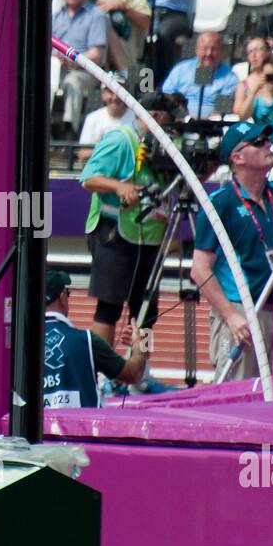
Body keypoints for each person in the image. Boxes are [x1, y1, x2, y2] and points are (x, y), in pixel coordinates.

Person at [192, 121, 273, 382]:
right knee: (235, 398)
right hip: (243, 313)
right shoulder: (220, 204)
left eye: (267, 140)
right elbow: (199, 269)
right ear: (237, 158)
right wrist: (231, 316)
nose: (268, 145)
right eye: (258, 142)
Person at [79, 92, 182, 394]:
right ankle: (102, 375)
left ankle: (141, 371)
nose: (175, 124)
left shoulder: (168, 146)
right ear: (156, 115)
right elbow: (87, 178)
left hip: (150, 236)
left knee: (146, 311)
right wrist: (119, 185)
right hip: (115, 232)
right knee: (109, 308)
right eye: (171, 117)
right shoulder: (121, 140)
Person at [43, 269, 149, 409]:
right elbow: (134, 374)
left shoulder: (20, 342)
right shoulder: (86, 340)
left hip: (33, 429)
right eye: (68, 294)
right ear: (62, 297)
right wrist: (139, 346)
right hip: (80, 428)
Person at [52, 0, 110, 131]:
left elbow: (96, 54)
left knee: (73, 82)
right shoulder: (55, 15)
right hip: (56, 69)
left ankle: (69, 131)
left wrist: (71, 60)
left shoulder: (96, 15)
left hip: (86, 71)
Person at [163, 31, 241, 120]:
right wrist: (179, 115)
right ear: (197, 50)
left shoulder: (230, 77)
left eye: (214, 49)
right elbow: (166, 96)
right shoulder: (181, 69)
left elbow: (221, 112)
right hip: (176, 121)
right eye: (205, 48)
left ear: (222, 51)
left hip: (209, 127)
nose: (209, 53)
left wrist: (193, 120)